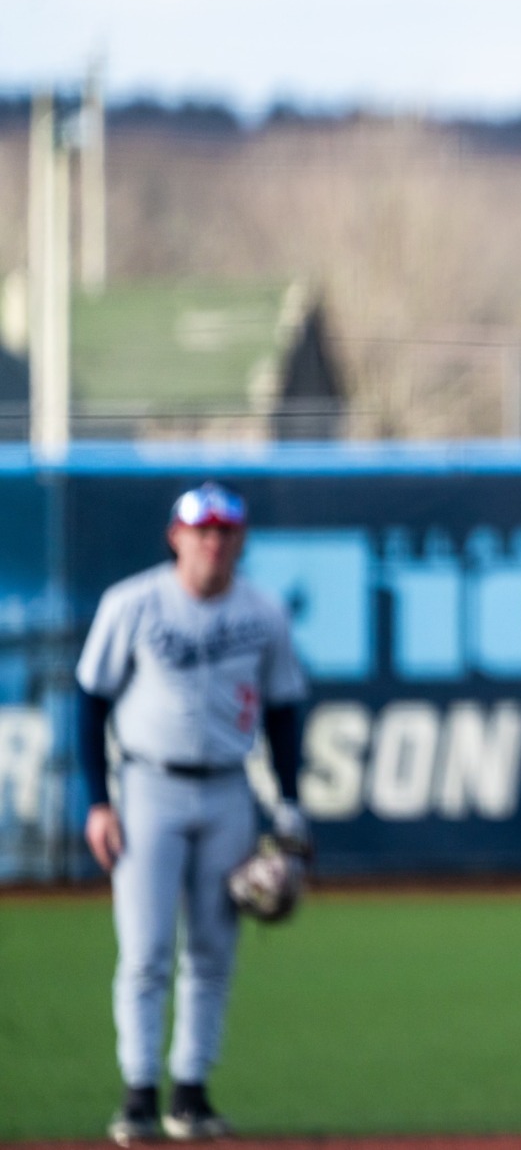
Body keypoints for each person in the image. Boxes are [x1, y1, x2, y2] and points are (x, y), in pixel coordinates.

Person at [78, 482, 311, 1145]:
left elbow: (285, 708)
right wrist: (98, 801)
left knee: (212, 949)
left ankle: (191, 1093)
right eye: (201, 529)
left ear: (240, 540)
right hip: (147, 786)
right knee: (146, 949)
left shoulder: (263, 612)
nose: (213, 541)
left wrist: (288, 805)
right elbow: (90, 699)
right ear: (175, 535)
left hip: (228, 790)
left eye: (225, 531)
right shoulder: (133, 602)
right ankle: (137, 1095)